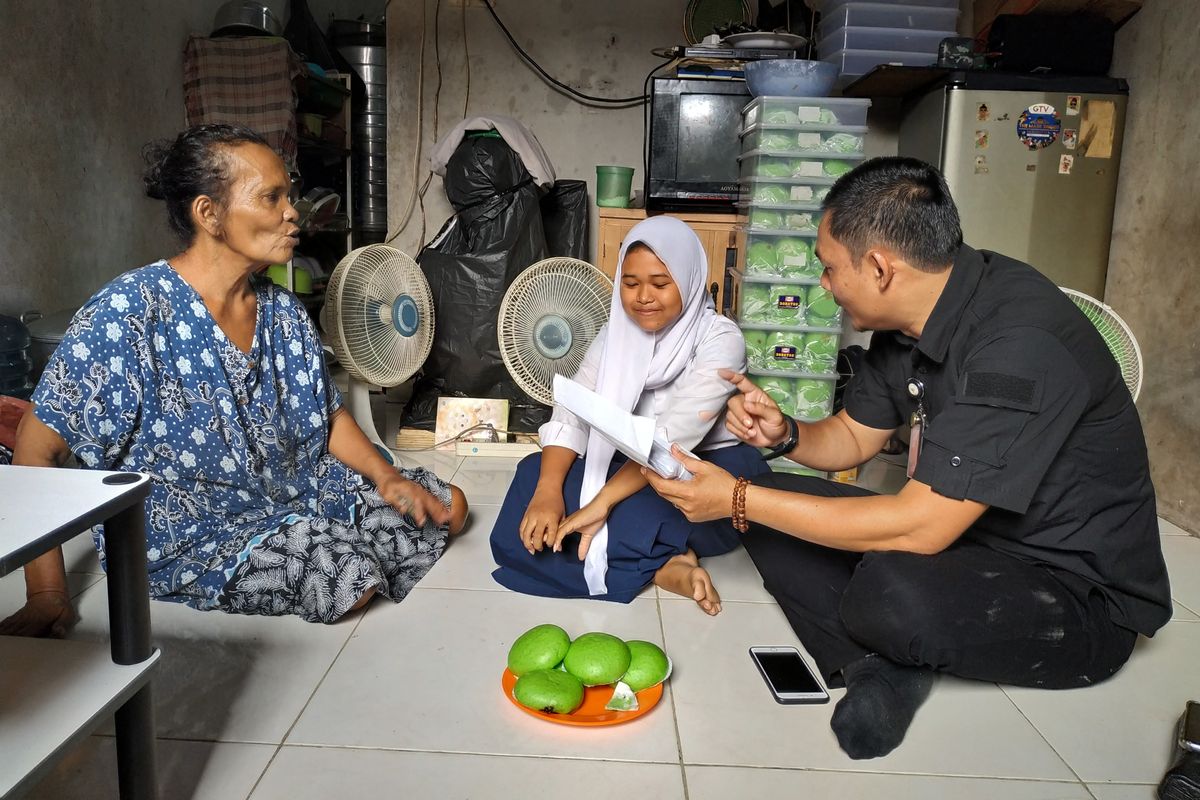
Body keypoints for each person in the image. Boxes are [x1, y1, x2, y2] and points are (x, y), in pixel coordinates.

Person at [645, 157, 1171, 759]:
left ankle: (887, 643)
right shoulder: (909, 324)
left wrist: (734, 498)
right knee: (763, 502)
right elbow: (852, 437)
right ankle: (879, 665)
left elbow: (920, 529)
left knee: (885, 586)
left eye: (829, 268)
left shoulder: (1017, 342)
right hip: (968, 536)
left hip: (1073, 591)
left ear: (878, 267)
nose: (824, 285)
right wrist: (785, 435)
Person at [0, 124, 468, 636]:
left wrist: (387, 477)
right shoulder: (128, 313)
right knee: (348, 577)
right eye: (271, 197)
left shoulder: (282, 310)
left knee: (446, 507)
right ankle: (318, 545)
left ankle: (324, 531)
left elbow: (326, 414)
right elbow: (35, 449)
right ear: (209, 214)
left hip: (295, 487)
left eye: (288, 196)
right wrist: (46, 594)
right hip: (190, 527)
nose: (292, 212)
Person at [489, 216, 767, 613]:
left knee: (652, 501)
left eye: (660, 283)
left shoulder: (721, 338)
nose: (643, 297)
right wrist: (549, 492)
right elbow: (572, 413)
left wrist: (600, 502)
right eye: (631, 283)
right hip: (630, 465)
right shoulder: (614, 334)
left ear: (688, 280)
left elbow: (669, 443)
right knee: (532, 476)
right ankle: (662, 561)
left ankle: (657, 564)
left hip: (703, 469)